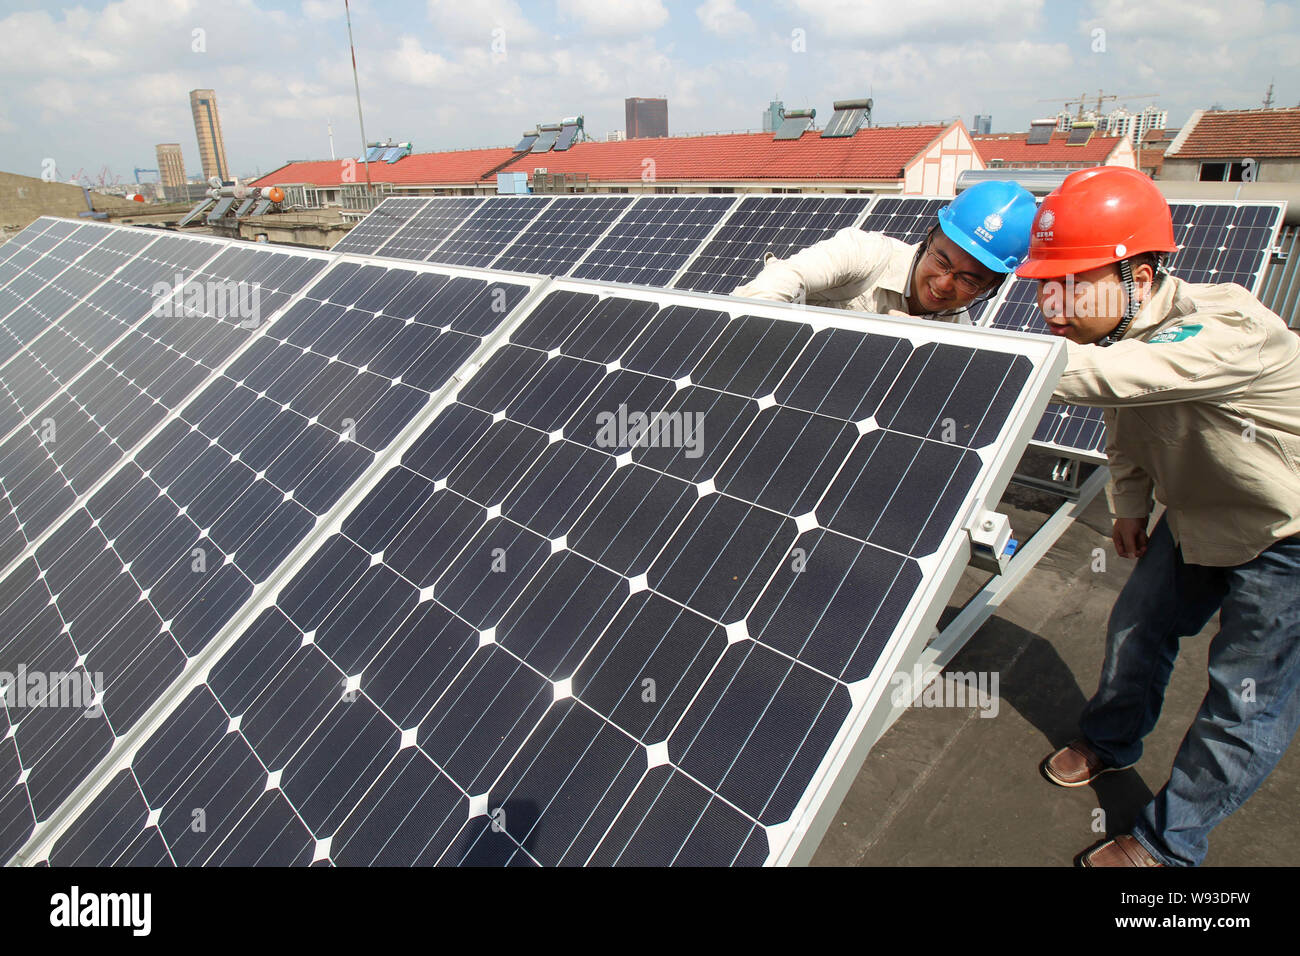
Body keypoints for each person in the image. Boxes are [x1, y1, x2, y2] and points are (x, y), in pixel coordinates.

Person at [1019, 165, 1300, 867]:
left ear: (1138, 277)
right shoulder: (1118, 335)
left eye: (1071, 282)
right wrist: (1131, 504)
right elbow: (1127, 420)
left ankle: (1166, 846)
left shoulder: (1228, 322)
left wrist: (979, 364)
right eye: (1046, 285)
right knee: (1137, 631)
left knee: (1245, 700)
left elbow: (1126, 380)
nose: (1052, 304)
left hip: (1285, 532)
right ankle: (1110, 742)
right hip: (1198, 514)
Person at [731, 180, 1036, 323]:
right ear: (929, 238)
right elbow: (777, 282)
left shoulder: (957, 331)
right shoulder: (864, 253)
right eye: (941, 261)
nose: (944, 283)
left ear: (991, 287)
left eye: (968, 280)